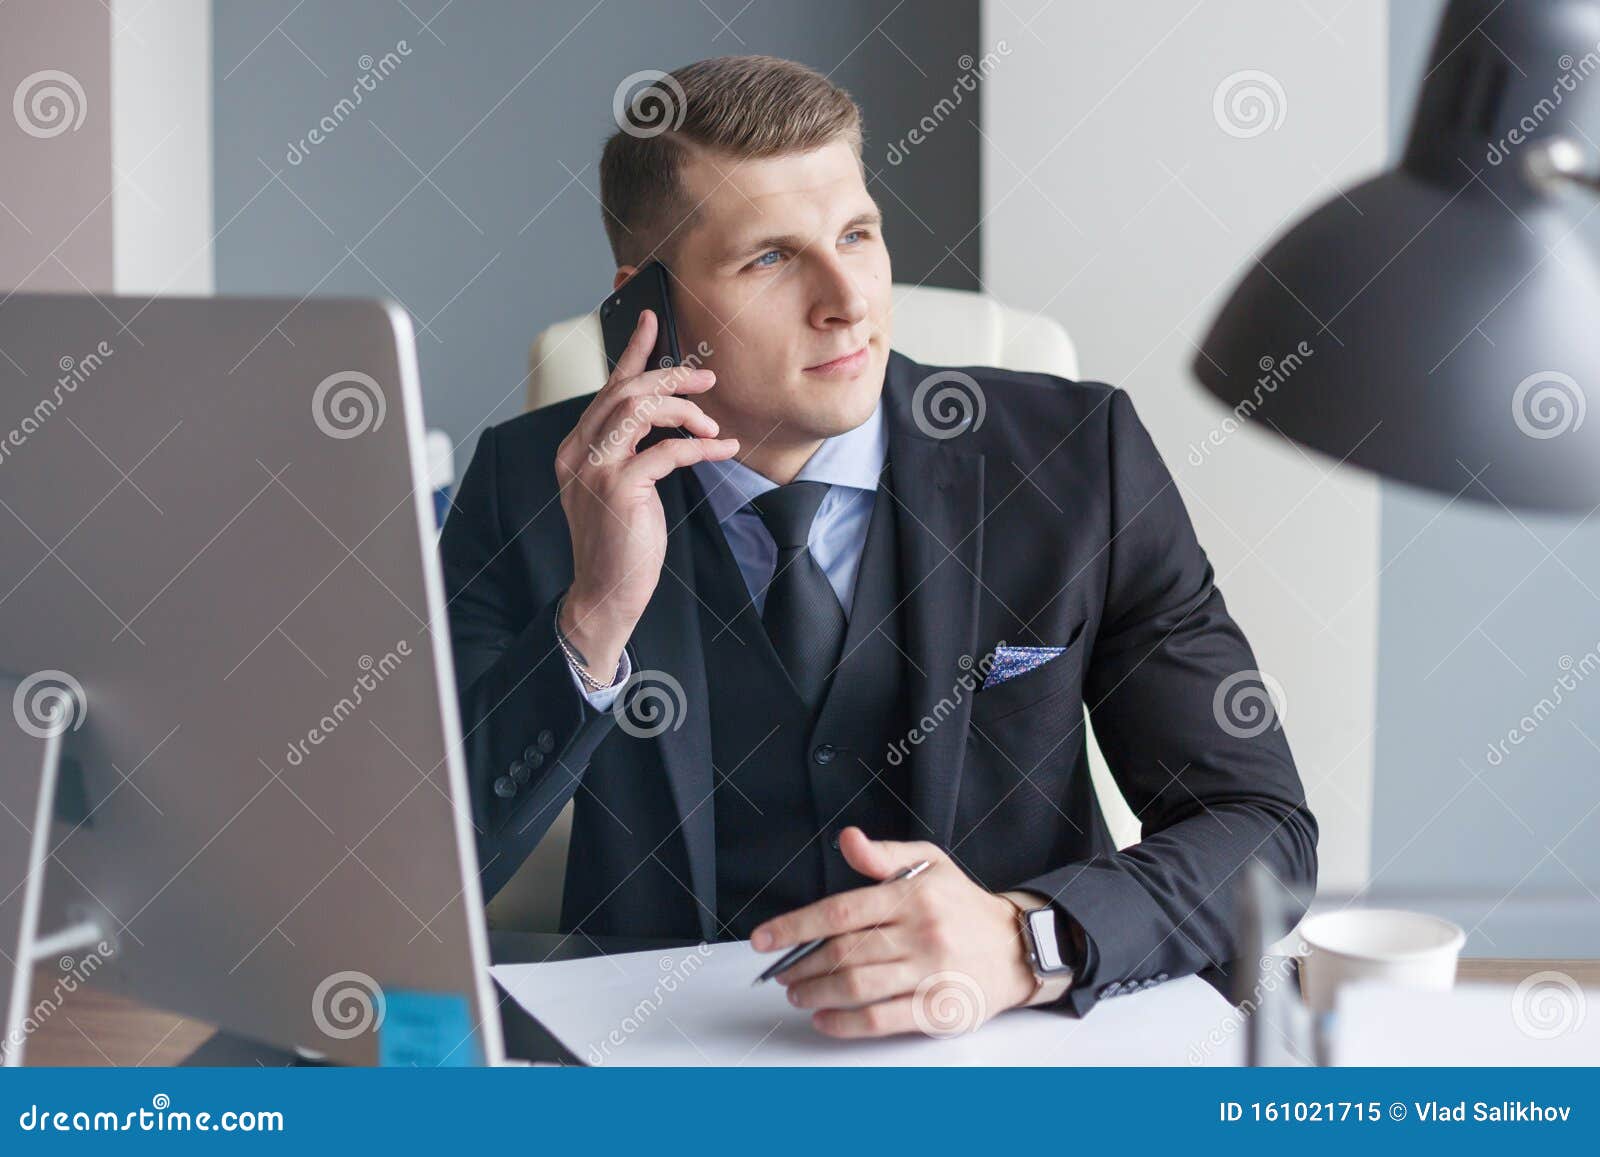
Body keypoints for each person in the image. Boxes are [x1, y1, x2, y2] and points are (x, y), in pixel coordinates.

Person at [440, 54, 1317, 1038]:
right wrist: (592, 615)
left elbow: (1263, 831)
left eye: (857, 234)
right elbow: (425, 873)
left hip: (1006, 1043)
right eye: (769, 258)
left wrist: (1028, 938)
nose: (846, 299)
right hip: (664, 1054)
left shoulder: (1077, 459)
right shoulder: (530, 486)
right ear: (645, 306)